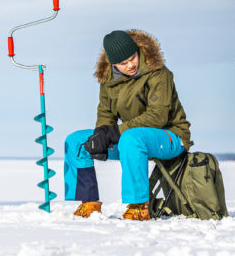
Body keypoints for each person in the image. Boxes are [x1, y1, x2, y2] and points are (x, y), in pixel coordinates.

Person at [63, 30, 191, 221]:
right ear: (113, 63)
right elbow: (106, 113)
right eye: (123, 63)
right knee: (77, 141)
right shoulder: (108, 79)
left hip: (169, 137)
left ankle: (139, 206)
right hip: (131, 141)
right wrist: (101, 134)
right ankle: (89, 203)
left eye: (133, 58)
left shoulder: (158, 73)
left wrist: (114, 132)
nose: (130, 65)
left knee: (131, 139)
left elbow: (157, 116)